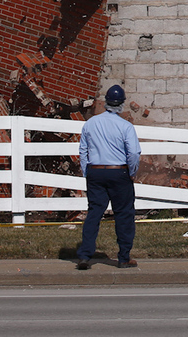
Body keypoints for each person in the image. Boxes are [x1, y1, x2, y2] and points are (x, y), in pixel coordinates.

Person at [76, 84, 142, 270]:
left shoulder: (90, 124)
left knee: (94, 213)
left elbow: (83, 151)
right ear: (121, 104)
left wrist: (87, 171)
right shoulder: (125, 126)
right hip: (118, 171)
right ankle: (123, 257)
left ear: (106, 103)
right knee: (124, 214)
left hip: (95, 170)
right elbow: (134, 153)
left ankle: (84, 255)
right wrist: (132, 172)